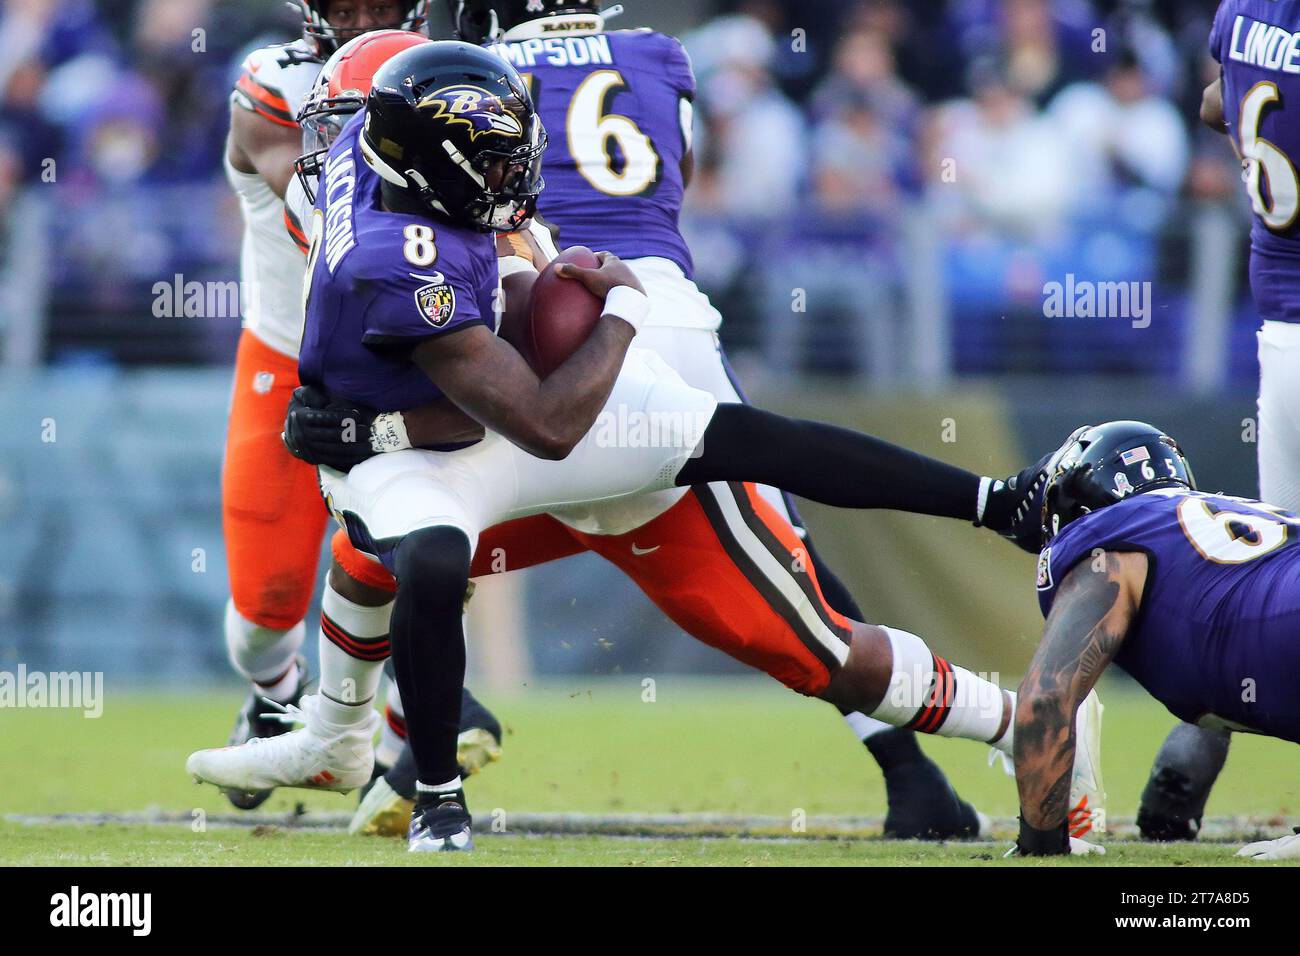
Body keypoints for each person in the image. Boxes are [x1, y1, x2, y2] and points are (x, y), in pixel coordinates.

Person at [186, 39, 1103, 854]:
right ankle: (424, 790)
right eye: (494, 161)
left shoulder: (384, 153)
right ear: (424, 165)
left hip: (452, 412)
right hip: (417, 444)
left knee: (753, 468)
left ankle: (1000, 535)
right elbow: (538, 423)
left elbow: (507, 280)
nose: (517, 175)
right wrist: (622, 312)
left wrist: (529, 276)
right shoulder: (397, 258)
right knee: (414, 555)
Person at [218, 0, 499, 811]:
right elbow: (325, 221)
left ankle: (415, 739)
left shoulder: (450, 70)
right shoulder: (273, 82)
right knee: (267, 602)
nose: (366, 15)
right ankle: (276, 690)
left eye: (381, 2)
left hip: (411, 348)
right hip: (289, 349)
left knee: (419, 542)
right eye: (350, 5)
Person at [1136, 0, 1300, 842]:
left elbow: (1214, 102)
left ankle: (1194, 748)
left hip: (1282, 336)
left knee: (1291, 582)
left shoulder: (1246, 12)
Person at [1014, 420, 1300, 858]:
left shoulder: (1112, 542)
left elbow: (1046, 698)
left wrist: (1041, 845)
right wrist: (1168, 813)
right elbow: (1222, 684)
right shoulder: (1220, 536)